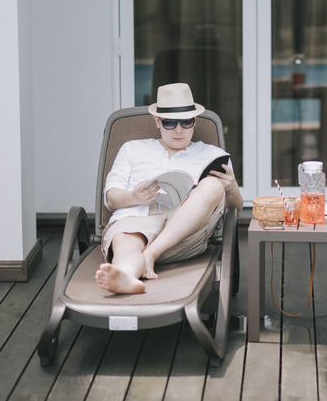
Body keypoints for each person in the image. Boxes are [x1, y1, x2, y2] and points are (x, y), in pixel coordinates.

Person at [95, 83, 243, 294]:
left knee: (212, 185)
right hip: (136, 221)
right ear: (157, 121)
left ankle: (150, 255)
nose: (179, 130)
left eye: (186, 122)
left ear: (195, 121)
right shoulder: (132, 149)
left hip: (184, 233)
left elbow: (235, 212)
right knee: (127, 245)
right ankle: (126, 276)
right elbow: (111, 198)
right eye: (170, 122)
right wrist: (134, 197)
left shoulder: (212, 155)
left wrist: (232, 188)